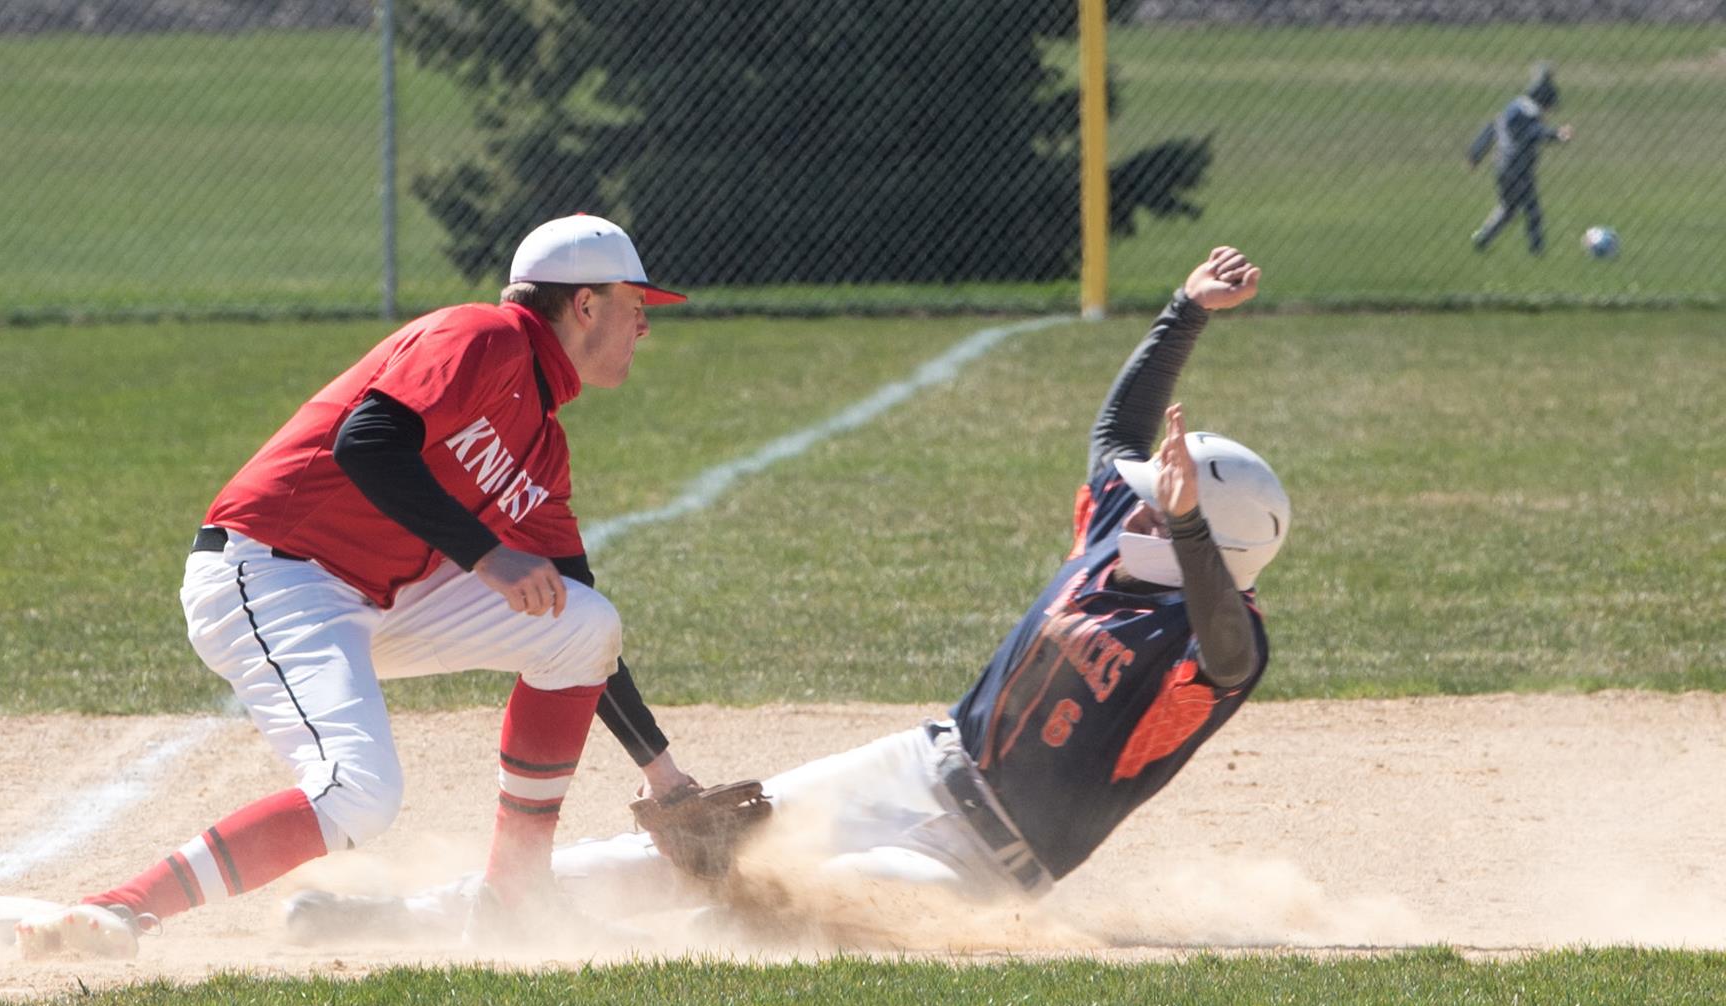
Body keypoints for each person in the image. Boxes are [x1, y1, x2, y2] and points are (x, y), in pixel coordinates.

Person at [284, 246, 1291, 948]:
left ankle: (601, 958)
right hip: (913, 766)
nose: (1148, 499)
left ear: (1219, 536)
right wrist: (1185, 311)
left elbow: (1227, 648)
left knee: (773, 906)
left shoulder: (1217, 637)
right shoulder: (1115, 543)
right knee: (704, 852)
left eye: (1175, 501)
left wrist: (1190, 524)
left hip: (989, 861)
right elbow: (1113, 429)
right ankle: (424, 916)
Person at [18, 215, 701, 958]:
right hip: (271, 569)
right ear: (585, 305)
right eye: (636, 306)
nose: (644, 326)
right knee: (360, 792)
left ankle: (517, 894)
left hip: (374, 596)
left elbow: (582, 635)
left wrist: (664, 777)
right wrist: (486, 557)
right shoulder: (482, 337)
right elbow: (367, 442)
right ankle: (121, 907)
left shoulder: (543, 446)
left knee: (582, 622)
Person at [1469, 63, 1574, 256]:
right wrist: (1556, 134)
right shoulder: (1529, 110)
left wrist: (1475, 154)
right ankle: (1537, 250)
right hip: (1517, 167)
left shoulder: (1515, 106)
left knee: (1509, 208)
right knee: (1532, 208)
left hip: (1502, 165)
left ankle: (1483, 237)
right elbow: (1533, 132)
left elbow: (1493, 128)